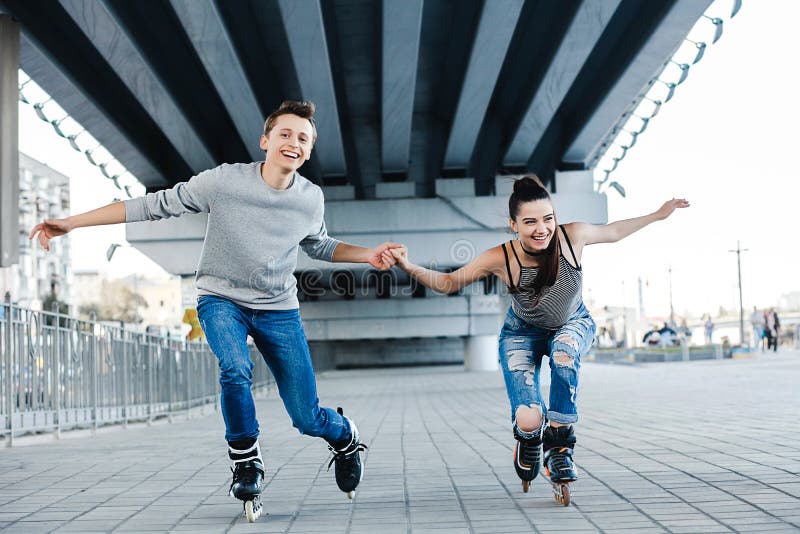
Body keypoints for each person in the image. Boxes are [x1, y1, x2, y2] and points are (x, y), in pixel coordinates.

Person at [29, 100, 399, 520]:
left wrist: (367, 254)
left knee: (306, 417)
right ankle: (245, 460)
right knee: (235, 369)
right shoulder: (224, 181)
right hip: (220, 298)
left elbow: (318, 244)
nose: (293, 143)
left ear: (309, 151)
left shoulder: (309, 199)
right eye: (285, 134)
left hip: (278, 309)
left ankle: (345, 437)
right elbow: (155, 205)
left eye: (303, 138)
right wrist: (73, 222)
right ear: (265, 141)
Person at [386, 176, 688, 503]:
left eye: (548, 219)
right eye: (530, 222)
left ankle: (559, 445)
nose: (541, 229)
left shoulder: (573, 236)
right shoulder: (500, 257)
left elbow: (613, 231)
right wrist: (407, 264)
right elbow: (447, 283)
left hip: (572, 323)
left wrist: (658, 214)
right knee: (529, 420)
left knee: (564, 353)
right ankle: (529, 440)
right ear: (514, 224)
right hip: (522, 334)